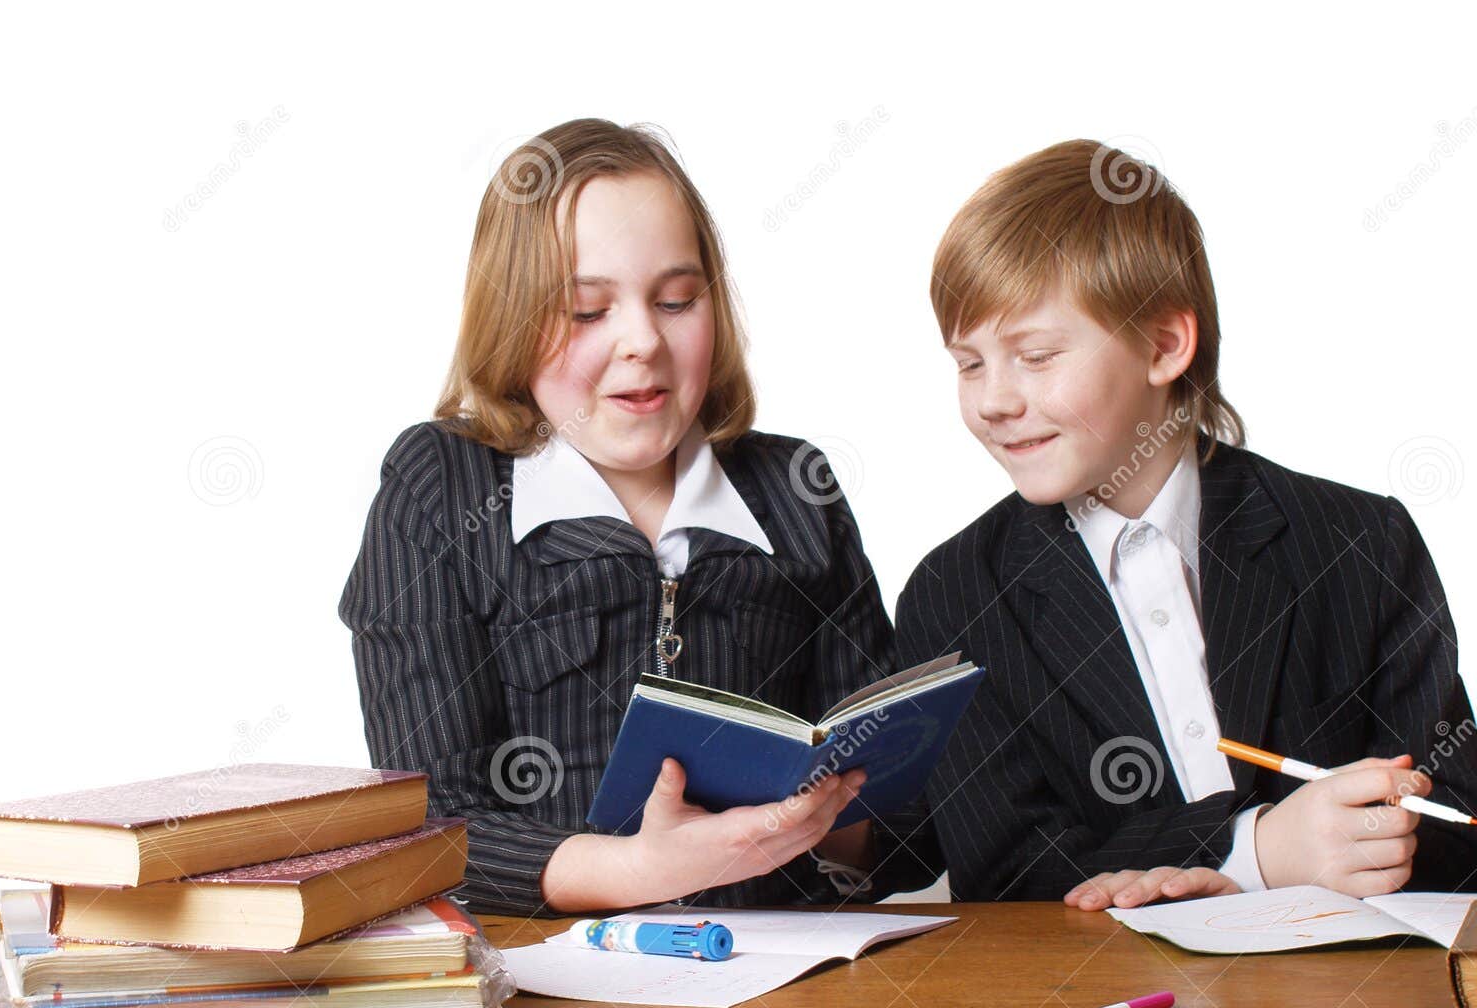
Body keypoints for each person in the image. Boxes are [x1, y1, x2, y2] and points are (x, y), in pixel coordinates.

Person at [340, 119, 939, 915]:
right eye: (588, 311)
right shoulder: (441, 489)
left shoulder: (795, 490)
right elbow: (425, 831)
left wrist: (834, 824)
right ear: (511, 322)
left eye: (676, 300)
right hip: (547, 986)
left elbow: (903, 834)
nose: (643, 341)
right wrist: (638, 872)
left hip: (782, 982)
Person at [896, 139, 1477, 907]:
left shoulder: (1360, 542)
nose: (992, 401)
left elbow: (1455, 814)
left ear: (1166, 344)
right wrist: (1259, 849)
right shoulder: (954, 591)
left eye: (1034, 356)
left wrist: (1374, 832)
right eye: (969, 365)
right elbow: (1006, 871)